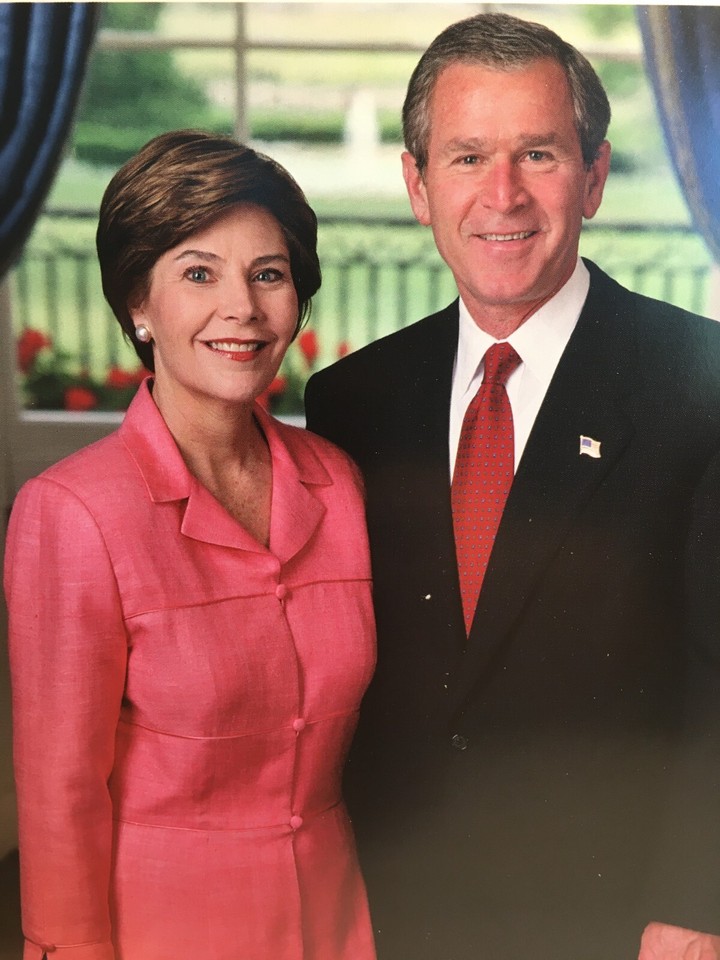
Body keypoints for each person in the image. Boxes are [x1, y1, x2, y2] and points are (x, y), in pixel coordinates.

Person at [305, 12, 720, 960]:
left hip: (621, 920)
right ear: (416, 185)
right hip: (394, 905)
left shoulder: (702, 384)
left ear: (595, 176)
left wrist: (699, 903)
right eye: (465, 157)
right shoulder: (353, 400)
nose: (503, 196)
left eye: (537, 154)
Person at [4, 130, 377, 960]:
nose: (240, 308)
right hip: (161, 931)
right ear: (139, 303)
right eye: (198, 272)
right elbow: (61, 796)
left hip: (337, 921)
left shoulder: (340, 483)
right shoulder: (71, 513)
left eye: (268, 275)